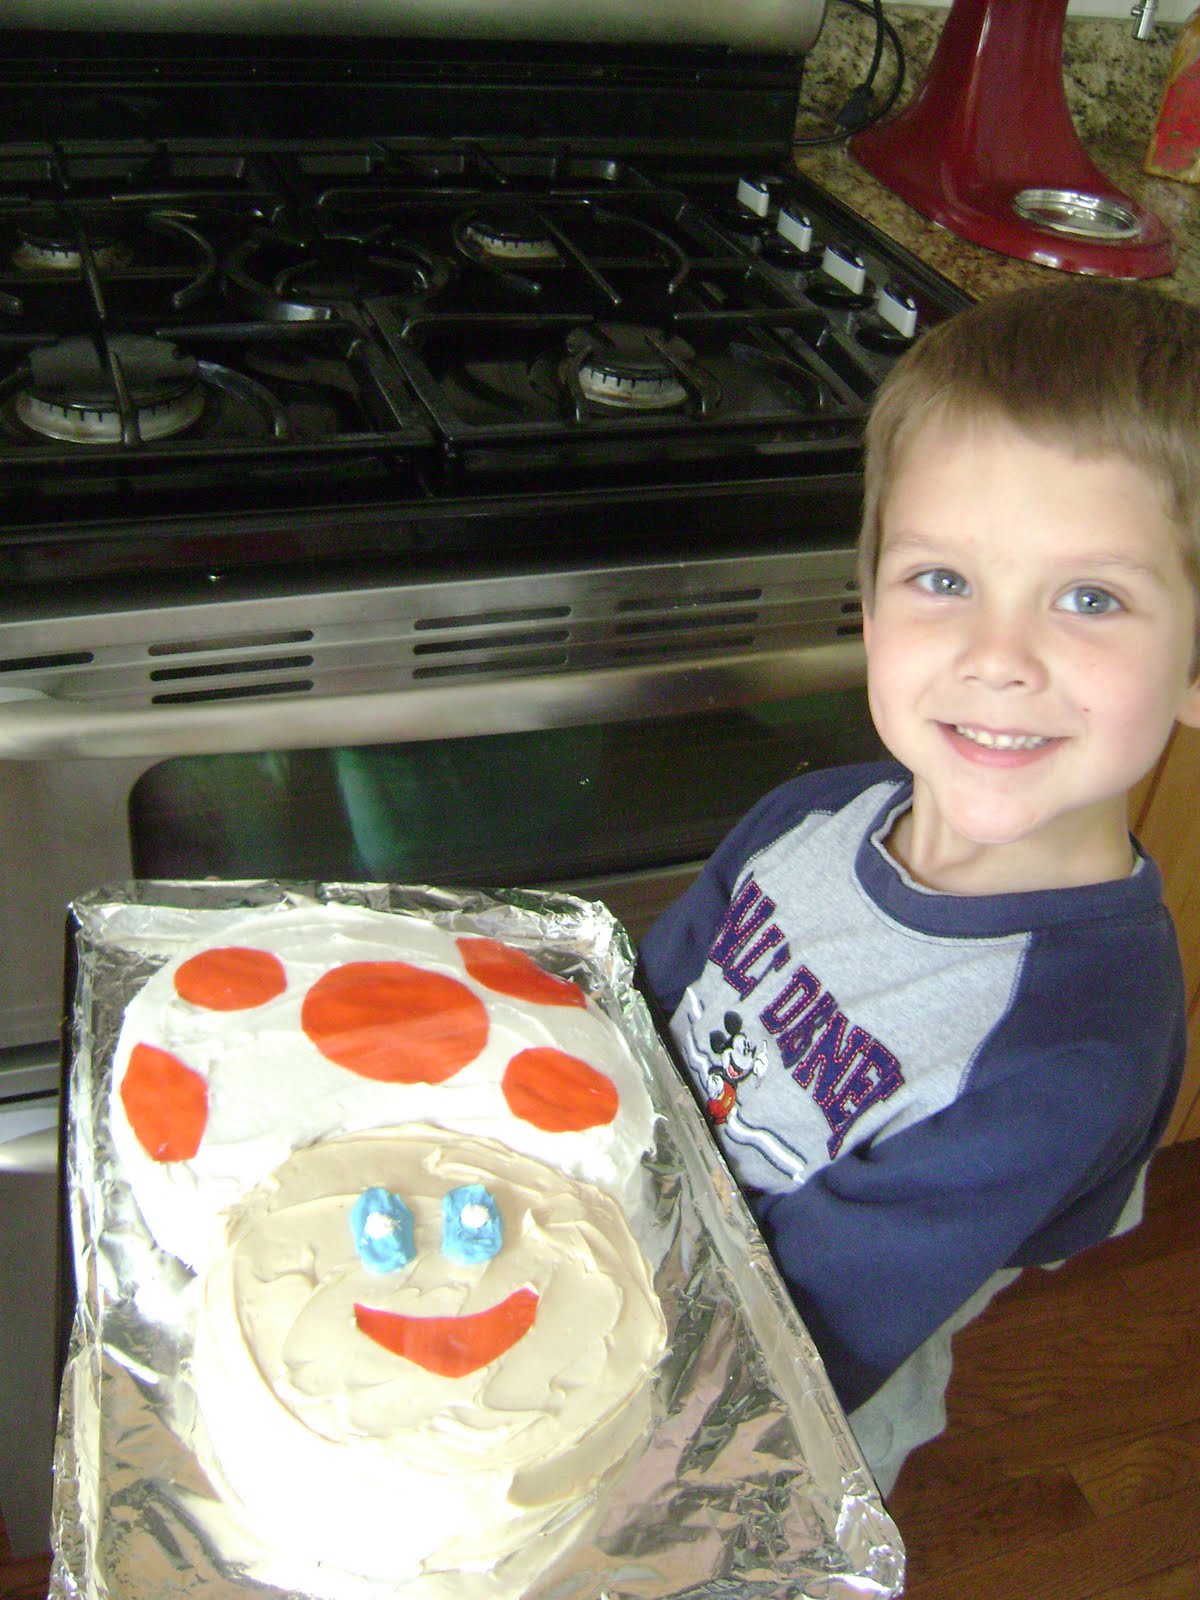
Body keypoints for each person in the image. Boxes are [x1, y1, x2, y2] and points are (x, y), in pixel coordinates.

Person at [638, 279, 1200, 1494]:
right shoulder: (813, 815)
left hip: (754, 1419)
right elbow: (638, 1012)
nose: (997, 657)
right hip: (622, 1244)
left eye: (1090, 597)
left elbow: (791, 1347)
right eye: (943, 580)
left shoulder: (1065, 1048)